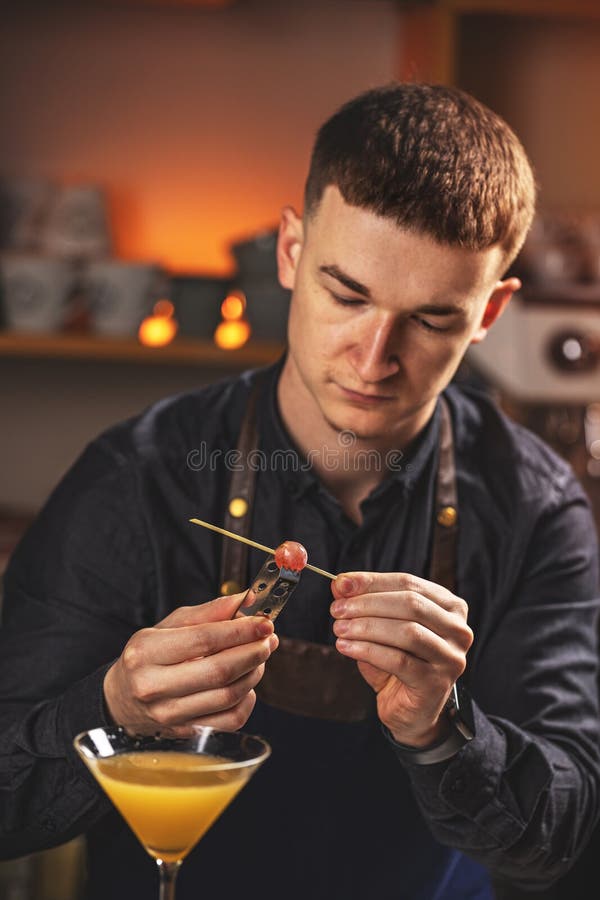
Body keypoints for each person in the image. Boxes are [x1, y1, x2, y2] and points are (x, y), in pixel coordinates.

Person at [0, 83, 599, 900]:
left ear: (490, 310)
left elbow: (565, 840)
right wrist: (112, 705)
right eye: (346, 294)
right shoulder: (138, 478)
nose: (373, 357)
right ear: (289, 251)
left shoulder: (537, 508)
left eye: (430, 320)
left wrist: (441, 728)